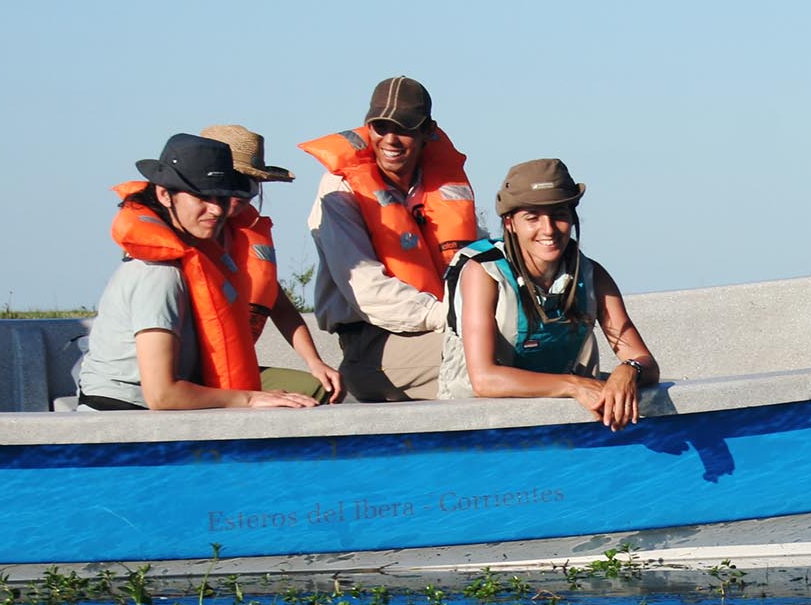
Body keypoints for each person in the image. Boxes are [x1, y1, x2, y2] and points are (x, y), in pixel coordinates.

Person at [77, 134, 319, 411]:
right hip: (123, 416)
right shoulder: (159, 275)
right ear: (164, 195)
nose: (216, 209)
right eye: (202, 196)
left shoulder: (206, 259)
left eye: (224, 196)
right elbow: (162, 395)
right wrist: (249, 398)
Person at [438, 158, 658, 430]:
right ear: (510, 224)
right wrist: (575, 385)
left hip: (559, 410)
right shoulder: (483, 273)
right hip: (478, 421)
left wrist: (628, 370)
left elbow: (645, 361)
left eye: (559, 216)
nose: (549, 229)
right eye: (532, 218)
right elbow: (484, 380)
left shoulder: (593, 275)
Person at [301, 76, 478, 402]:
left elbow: (479, 264)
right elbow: (367, 292)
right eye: (381, 127)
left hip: (443, 329)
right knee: (486, 358)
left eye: (406, 128)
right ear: (369, 127)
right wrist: (449, 317)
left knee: (538, 342)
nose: (391, 139)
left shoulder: (446, 185)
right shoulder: (340, 189)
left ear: (428, 131)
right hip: (374, 348)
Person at [198, 124, 343, 403]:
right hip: (193, 378)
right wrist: (249, 398)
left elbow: (280, 306)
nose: (241, 194)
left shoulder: (244, 237)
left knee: (322, 387)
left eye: (251, 183)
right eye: (234, 181)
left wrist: (315, 362)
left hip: (236, 370)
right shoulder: (189, 240)